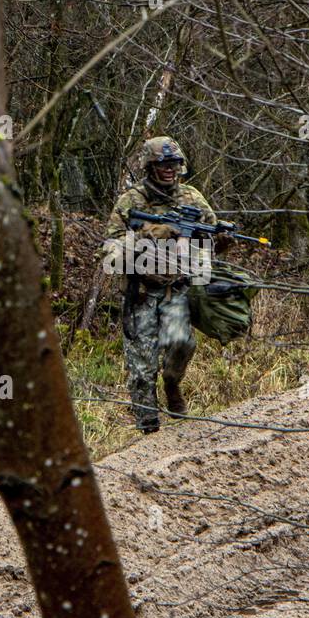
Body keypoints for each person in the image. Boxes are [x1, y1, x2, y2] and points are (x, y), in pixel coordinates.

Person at [101, 136, 217, 434]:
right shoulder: (131, 201)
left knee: (182, 344)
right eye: (163, 164)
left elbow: (211, 236)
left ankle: (172, 382)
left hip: (176, 287)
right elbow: (110, 254)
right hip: (139, 293)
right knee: (141, 370)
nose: (169, 169)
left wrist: (214, 241)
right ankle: (148, 429)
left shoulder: (192, 198)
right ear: (150, 166)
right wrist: (151, 234)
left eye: (174, 163)